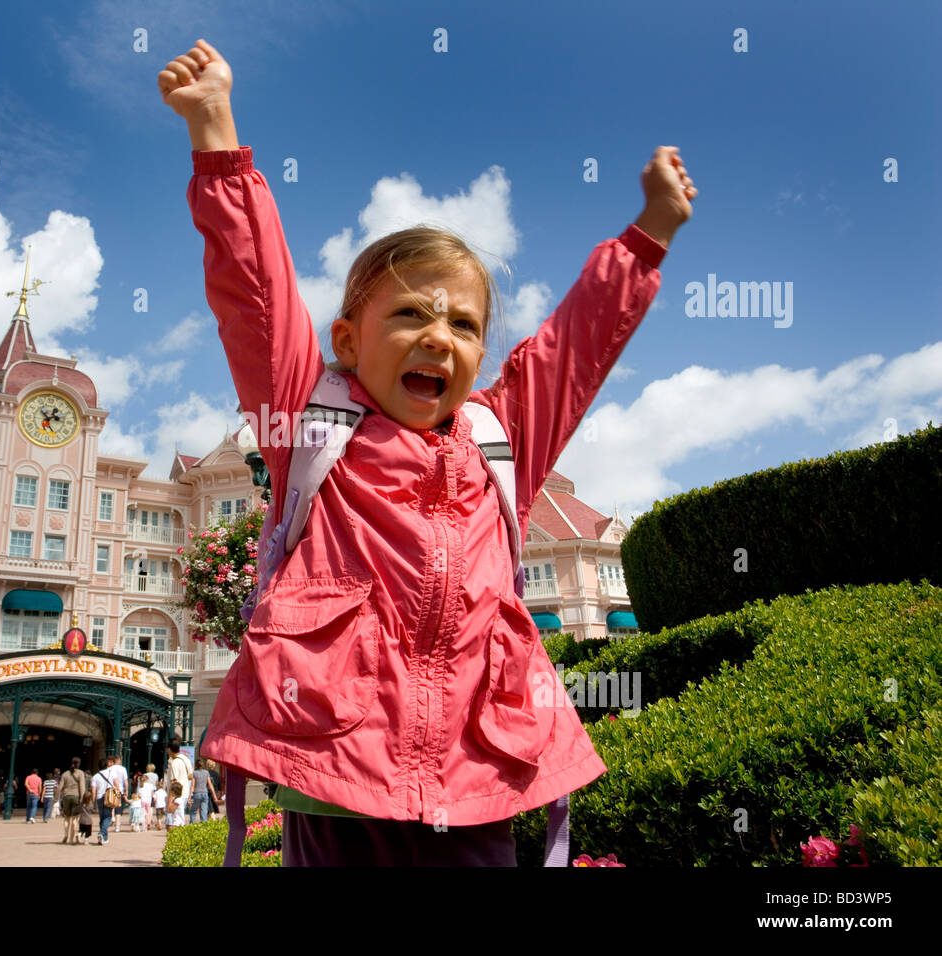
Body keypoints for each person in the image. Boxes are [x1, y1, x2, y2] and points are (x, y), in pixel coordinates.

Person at [158, 40, 695, 866]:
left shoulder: (500, 440)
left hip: (480, 768)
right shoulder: (310, 421)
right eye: (410, 315)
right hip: (335, 765)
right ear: (348, 339)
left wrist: (649, 233)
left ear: (481, 358)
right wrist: (217, 135)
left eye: (464, 325)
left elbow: (574, 348)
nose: (438, 339)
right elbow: (255, 294)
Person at [89, 757, 119, 846]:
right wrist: (118, 795)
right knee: (108, 817)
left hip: (99, 798)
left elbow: (93, 791)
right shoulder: (112, 773)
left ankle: (104, 839)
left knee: (102, 817)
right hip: (109, 796)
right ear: (106, 765)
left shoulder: (95, 776)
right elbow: (117, 786)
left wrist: (93, 801)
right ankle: (102, 833)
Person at [57, 758, 86, 845]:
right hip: (76, 796)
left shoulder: (65, 774)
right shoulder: (80, 773)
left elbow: (60, 787)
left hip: (66, 796)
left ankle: (65, 835)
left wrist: (56, 798)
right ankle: (72, 838)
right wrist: (82, 799)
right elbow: (82, 787)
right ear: (79, 764)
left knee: (66, 818)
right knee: (75, 819)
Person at [189, 758, 220, 824]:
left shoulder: (194, 773)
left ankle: (191, 825)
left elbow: (192, 785)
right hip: (205, 793)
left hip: (197, 793)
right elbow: (210, 784)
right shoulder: (206, 772)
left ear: (196, 766)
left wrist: (189, 796)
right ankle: (204, 825)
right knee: (204, 811)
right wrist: (214, 795)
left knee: (193, 811)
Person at [108, 755, 129, 833]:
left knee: (111, 806)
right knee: (118, 809)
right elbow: (126, 781)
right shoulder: (123, 769)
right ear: (119, 761)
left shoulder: (110, 769)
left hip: (111, 789)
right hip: (119, 790)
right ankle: (117, 826)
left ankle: (112, 818)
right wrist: (126, 791)